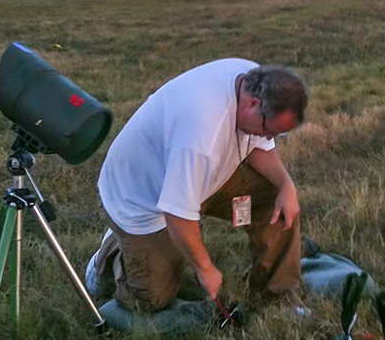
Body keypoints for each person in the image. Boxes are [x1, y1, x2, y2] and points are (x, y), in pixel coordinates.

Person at [88, 58, 308, 312]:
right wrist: (206, 269)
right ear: (253, 104)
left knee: (275, 196)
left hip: (201, 178)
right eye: (269, 130)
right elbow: (177, 214)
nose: (269, 138)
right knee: (152, 298)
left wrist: (286, 185)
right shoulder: (200, 131)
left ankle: (276, 297)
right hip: (142, 202)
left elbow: (259, 145)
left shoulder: (254, 80)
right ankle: (110, 255)